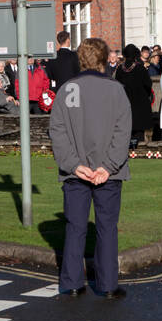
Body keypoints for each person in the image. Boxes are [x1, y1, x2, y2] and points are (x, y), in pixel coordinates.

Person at [48, 36, 131, 299]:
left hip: (76, 171)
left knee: (75, 227)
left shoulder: (66, 89)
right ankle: (107, 285)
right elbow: (123, 131)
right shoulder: (116, 89)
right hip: (108, 170)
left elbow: (57, 132)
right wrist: (108, 166)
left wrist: (74, 164)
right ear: (105, 59)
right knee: (106, 228)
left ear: (81, 59)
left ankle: (72, 282)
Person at [115, 44, 154, 149]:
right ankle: (138, 150)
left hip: (125, 104)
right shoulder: (140, 68)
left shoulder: (119, 69)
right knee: (139, 133)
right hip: (139, 103)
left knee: (126, 131)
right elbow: (148, 84)